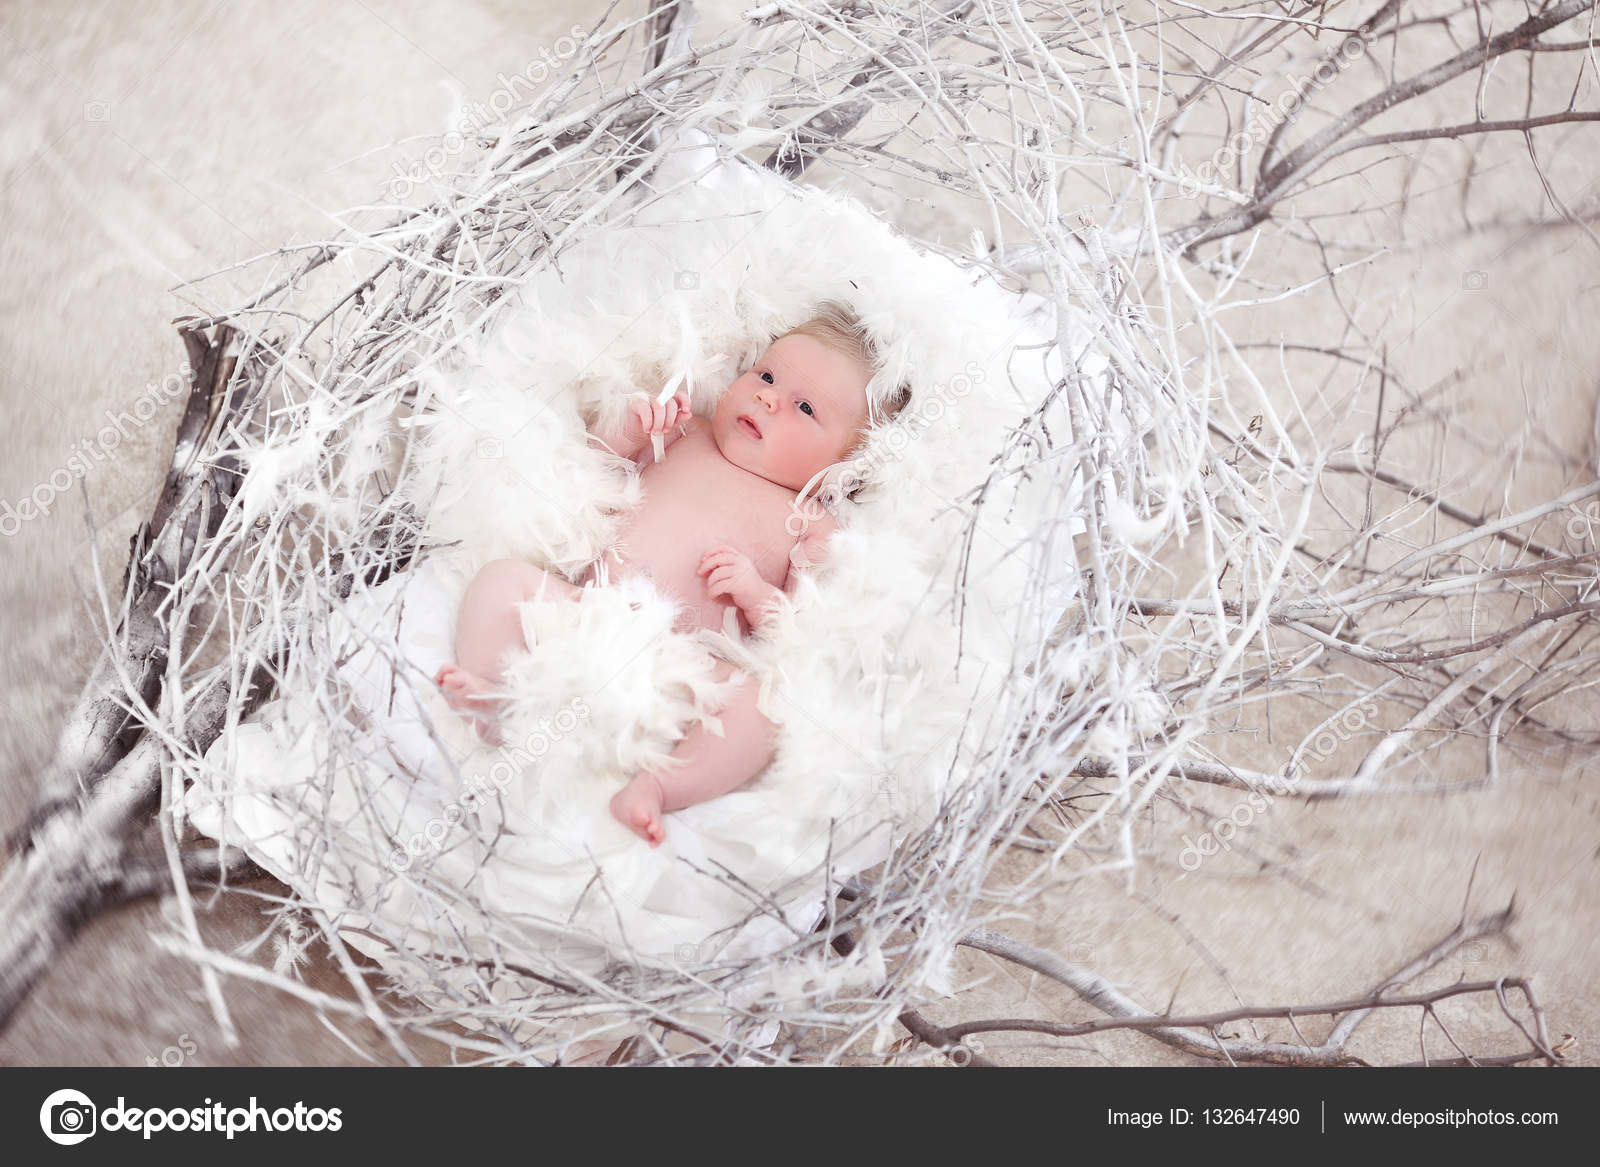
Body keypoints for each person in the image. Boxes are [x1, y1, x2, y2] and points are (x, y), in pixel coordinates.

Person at [434, 301, 907, 844]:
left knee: (766, 706)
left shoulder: (811, 524)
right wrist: (629, 434)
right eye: (768, 375)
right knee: (501, 578)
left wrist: (756, 594)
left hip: (687, 671)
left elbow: (803, 634)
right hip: (587, 613)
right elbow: (593, 479)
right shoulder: (691, 433)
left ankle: (663, 787)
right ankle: (497, 697)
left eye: (804, 408)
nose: (768, 397)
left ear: (848, 463)